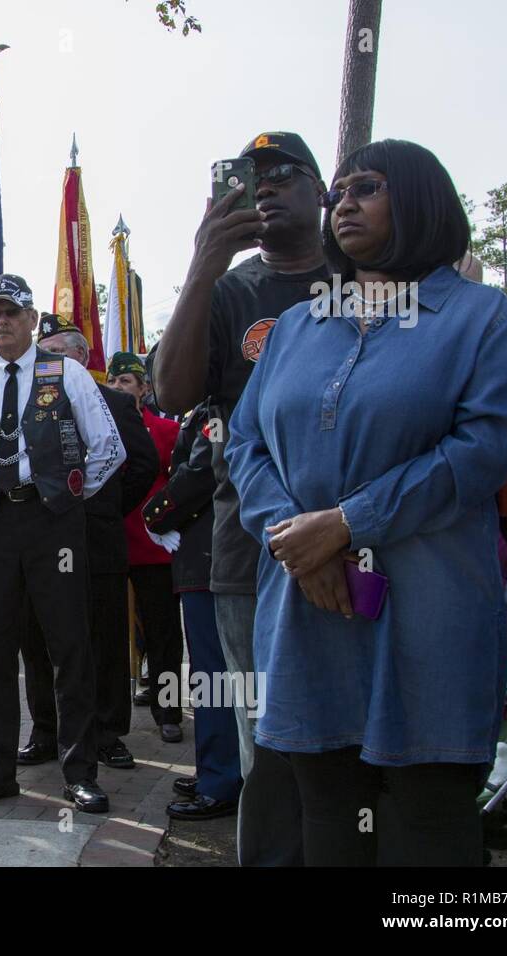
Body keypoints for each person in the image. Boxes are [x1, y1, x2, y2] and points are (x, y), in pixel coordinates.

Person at [226, 138, 507, 866]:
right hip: (310, 619)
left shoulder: (479, 318)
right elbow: (244, 445)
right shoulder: (299, 326)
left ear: (420, 199)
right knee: (329, 820)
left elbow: (483, 449)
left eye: (365, 188)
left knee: (427, 830)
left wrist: (346, 525)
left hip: (428, 624)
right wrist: (294, 542)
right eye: (338, 193)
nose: (342, 204)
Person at [154, 130, 330, 866]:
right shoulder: (228, 291)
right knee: (268, 740)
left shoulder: (364, 279)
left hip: (354, 538)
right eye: (251, 176)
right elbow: (172, 392)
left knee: (350, 741)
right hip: (248, 548)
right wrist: (204, 263)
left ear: (322, 191)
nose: (267, 186)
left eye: (286, 173)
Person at [0, 273, 126, 813]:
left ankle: (79, 773)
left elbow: (108, 448)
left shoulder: (65, 371)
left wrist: (65, 494)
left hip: (53, 524)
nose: (2, 321)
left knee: (69, 646)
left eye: (12, 312)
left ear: (32, 321)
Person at [18, 315, 159, 771]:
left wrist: (103, 507)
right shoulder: (25, 400)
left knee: (103, 639)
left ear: (82, 357)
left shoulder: (116, 402)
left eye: (60, 352)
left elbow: (141, 465)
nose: (51, 361)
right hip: (41, 541)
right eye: (47, 353)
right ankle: (45, 730)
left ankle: (107, 732)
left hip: (96, 542)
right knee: (40, 642)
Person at [144, 404, 242, 820]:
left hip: (213, 557)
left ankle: (223, 779)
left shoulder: (220, 405)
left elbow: (201, 472)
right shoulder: (205, 407)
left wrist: (156, 513)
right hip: (206, 557)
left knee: (216, 677)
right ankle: (214, 770)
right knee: (210, 675)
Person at [109, 352, 182, 740]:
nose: (118, 388)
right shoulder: (99, 427)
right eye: (114, 382)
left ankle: (167, 709)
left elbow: (179, 485)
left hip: (153, 548)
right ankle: (112, 713)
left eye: (126, 382)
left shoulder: (166, 431)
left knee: (163, 634)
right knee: (112, 634)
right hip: (112, 547)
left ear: (145, 388)